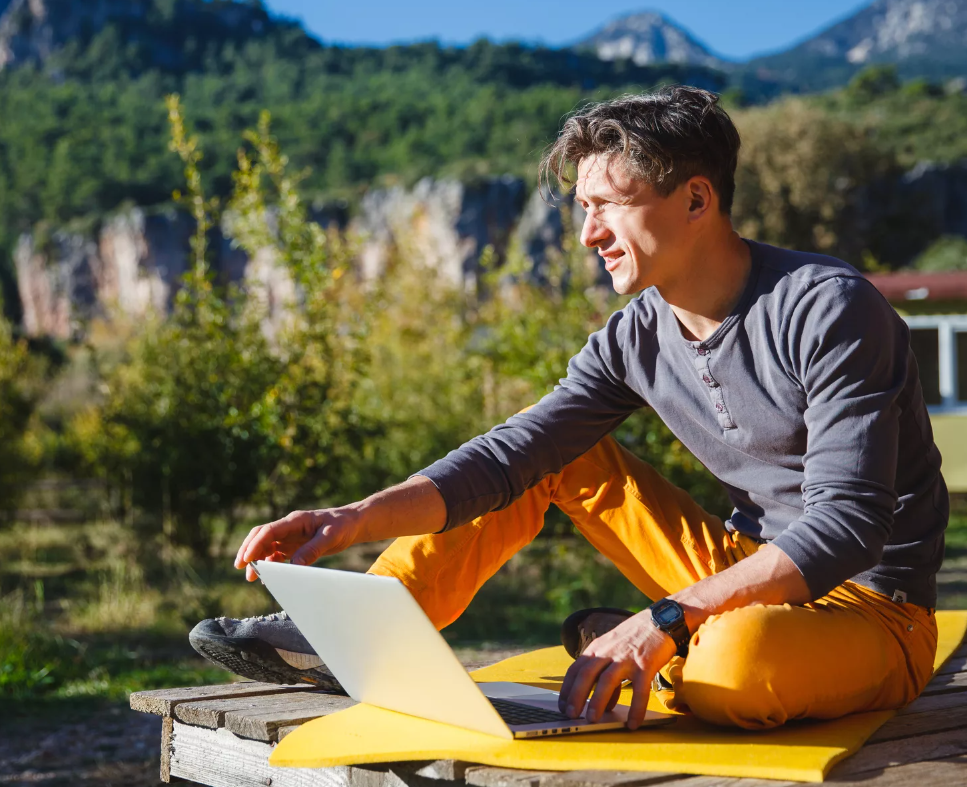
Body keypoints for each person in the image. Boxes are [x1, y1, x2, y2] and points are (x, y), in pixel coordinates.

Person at [190, 85, 947, 731]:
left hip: (871, 612)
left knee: (735, 663)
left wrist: (664, 617)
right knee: (555, 460)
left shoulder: (827, 308)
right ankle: (348, 633)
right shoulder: (634, 335)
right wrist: (349, 518)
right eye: (581, 209)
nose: (588, 234)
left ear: (694, 199)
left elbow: (847, 524)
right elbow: (509, 454)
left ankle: (666, 648)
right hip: (734, 573)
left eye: (607, 206)